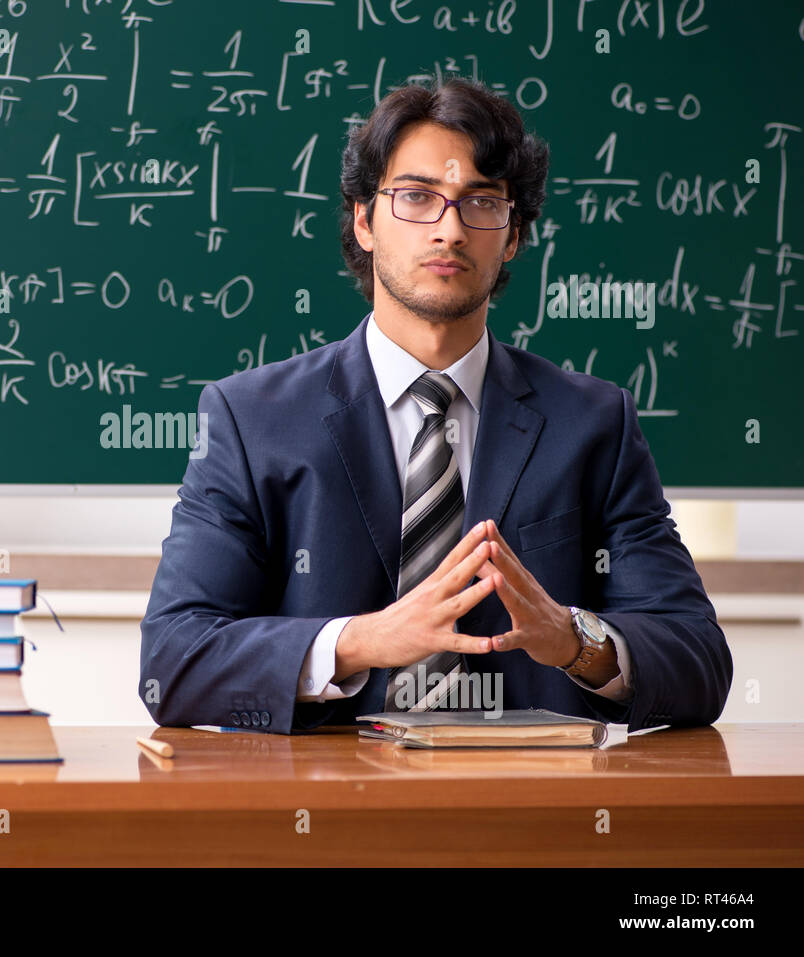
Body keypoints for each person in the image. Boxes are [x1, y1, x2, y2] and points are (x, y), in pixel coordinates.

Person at [138, 77, 732, 734]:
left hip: (535, 817)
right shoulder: (251, 419)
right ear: (364, 220)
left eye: (481, 201)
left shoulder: (594, 425)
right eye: (416, 197)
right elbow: (174, 659)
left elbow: (700, 662)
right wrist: (363, 640)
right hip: (326, 816)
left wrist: (572, 639)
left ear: (511, 236)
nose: (449, 229)